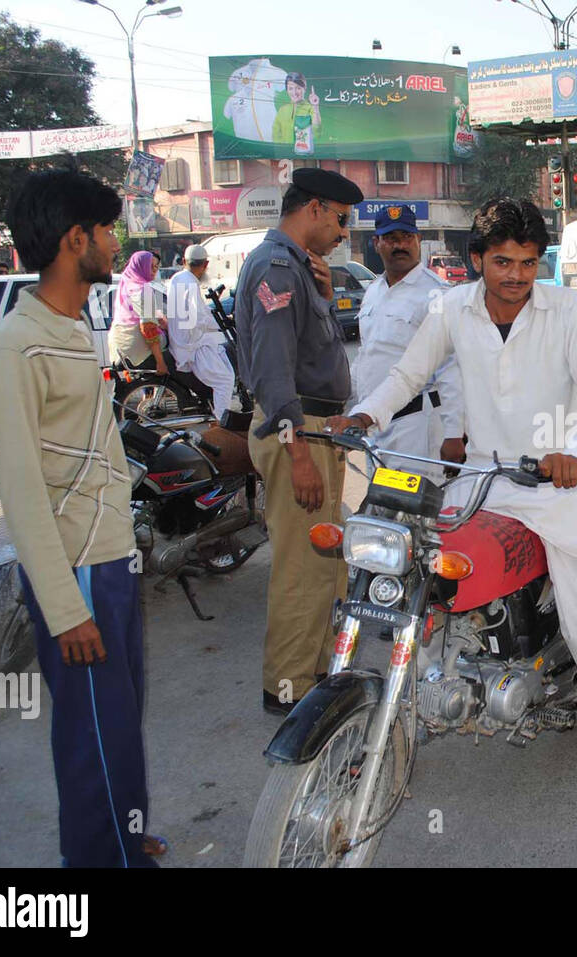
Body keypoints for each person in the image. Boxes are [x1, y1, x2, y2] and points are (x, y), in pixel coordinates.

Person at [326, 198, 577, 775]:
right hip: (481, 478)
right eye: (503, 262)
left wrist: (574, 454)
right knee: (422, 586)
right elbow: (408, 375)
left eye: (528, 262)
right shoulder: (451, 308)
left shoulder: (567, 309)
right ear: (478, 260)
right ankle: (401, 717)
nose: (517, 276)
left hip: (559, 483)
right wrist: (366, 416)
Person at [0, 166, 161, 868]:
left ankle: (126, 837)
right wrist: (64, 609)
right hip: (76, 576)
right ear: (73, 238)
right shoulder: (15, 348)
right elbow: (21, 492)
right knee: (92, 736)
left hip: (110, 560)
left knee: (118, 722)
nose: (116, 242)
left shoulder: (70, 323)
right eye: (107, 229)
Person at [234, 167, 362, 715]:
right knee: (300, 568)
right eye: (338, 219)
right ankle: (286, 688)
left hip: (316, 431)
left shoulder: (304, 269)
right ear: (312, 208)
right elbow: (273, 370)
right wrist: (299, 454)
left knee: (326, 563)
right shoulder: (277, 267)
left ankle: (315, 672)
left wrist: (329, 296)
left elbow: (310, 348)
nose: (342, 232)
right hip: (299, 434)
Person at [344, 205, 464, 482]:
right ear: (376, 243)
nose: (400, 245)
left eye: (406, 237)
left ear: (418, 240)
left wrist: (454, 432)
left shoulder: (436, 294)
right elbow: (367, 355)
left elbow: (452, 369)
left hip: (415, 427)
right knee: (385, 511)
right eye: (391, 238)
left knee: (417, 511)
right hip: (375, 427)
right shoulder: (374, 291)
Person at [166, 244, 235, 422]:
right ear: (205, 264)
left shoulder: (177, 278)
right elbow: (197, 319)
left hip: (183, 340)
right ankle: (223, 422)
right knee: (225, 380)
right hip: (192, 345)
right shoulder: (190, 283)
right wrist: (221, 322)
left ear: (183, 261)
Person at [109, 250, 169, 375]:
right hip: (137, 349)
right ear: (140, 267)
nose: (153, 271)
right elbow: (148, 329)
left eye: (156, 267)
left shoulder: (125, 284)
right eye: (150, 267)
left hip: (120, 347)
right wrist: (160, 362)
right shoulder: (143, 290)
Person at [272, 71, 321, 152]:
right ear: (287, 90)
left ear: (304, 88)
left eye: (298, 88)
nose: (294, 93)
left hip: (304, 153)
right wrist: (282, 151)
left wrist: (315, 106)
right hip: (284, 154)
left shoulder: (310, 108)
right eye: (290, 88)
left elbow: (316, 132)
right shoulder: (282, 110)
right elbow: (276, 134)